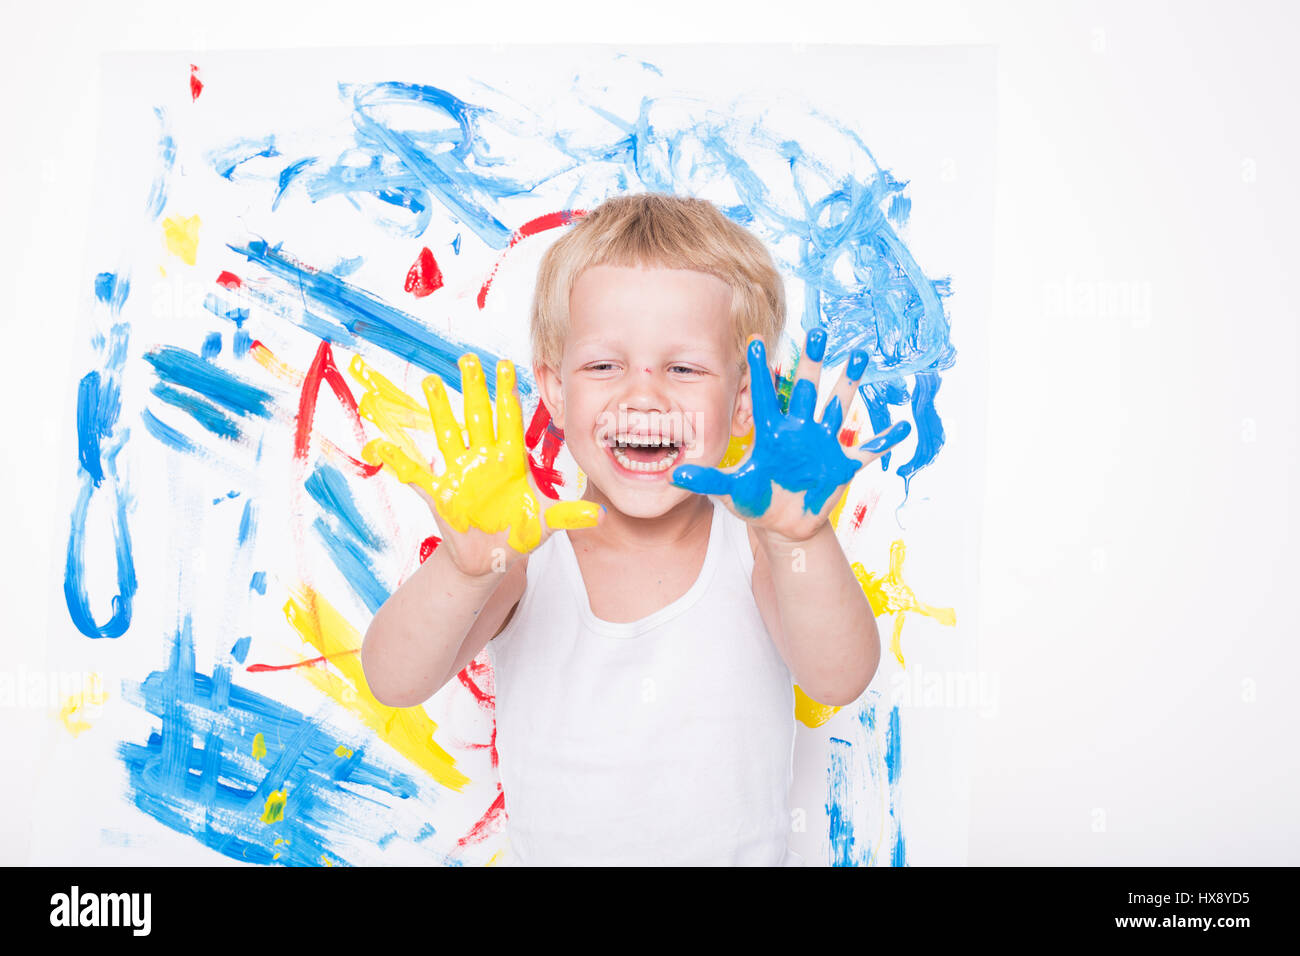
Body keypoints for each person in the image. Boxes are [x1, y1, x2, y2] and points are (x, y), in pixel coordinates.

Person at [360, 192, 910, 865]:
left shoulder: (758, 554)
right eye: (603, 365)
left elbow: (839, 677)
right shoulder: (525, 560)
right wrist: (464, 568)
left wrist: (801, 541)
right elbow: (394, 679)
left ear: (743, 402)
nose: (643, 394)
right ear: (556, 393)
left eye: (683, 368)